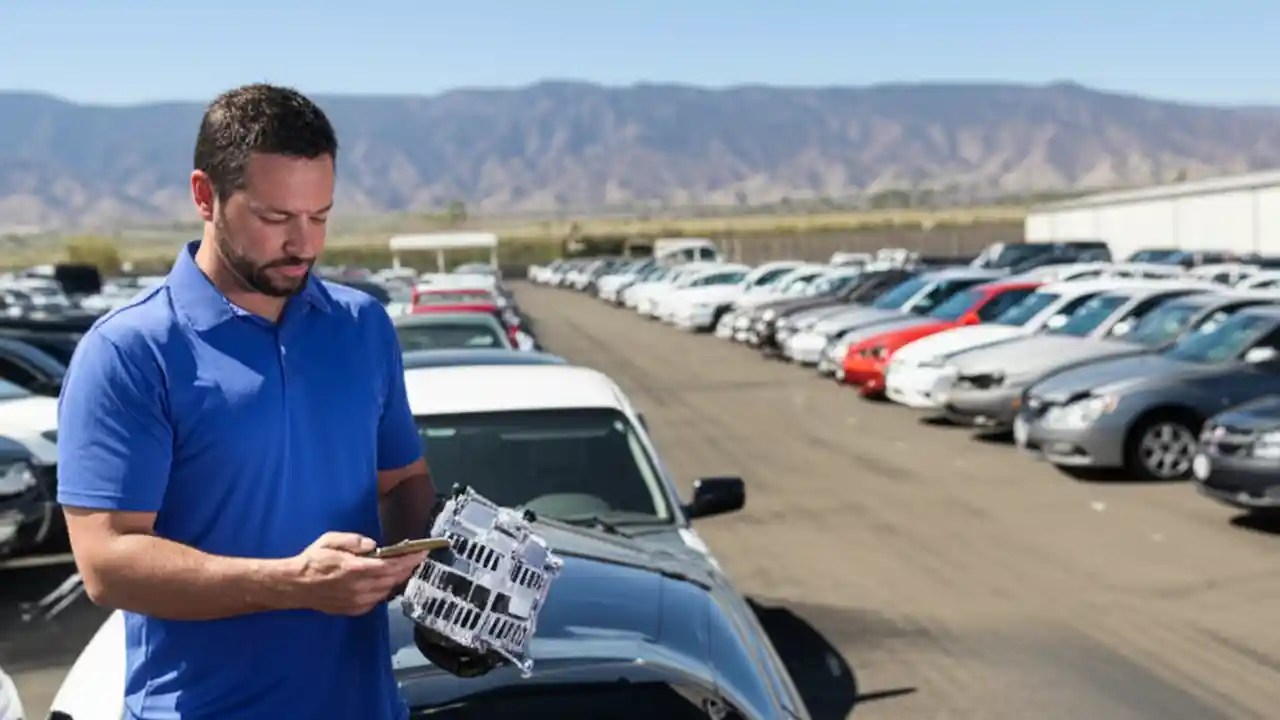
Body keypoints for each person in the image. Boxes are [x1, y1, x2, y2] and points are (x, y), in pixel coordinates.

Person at [55, 83, 438, 719]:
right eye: (276, 218)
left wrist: (432, 563)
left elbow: (403, 484)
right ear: (205, 195)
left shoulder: (363, 327)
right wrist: (294, 584)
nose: (305, 244)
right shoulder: (129, 351)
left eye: (320, 216)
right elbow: (108, 562)